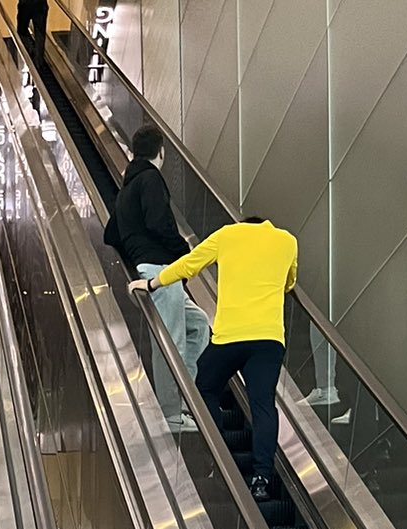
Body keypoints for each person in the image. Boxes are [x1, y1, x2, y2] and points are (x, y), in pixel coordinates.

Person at [131, 214, 298, 498]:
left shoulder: (227, 235)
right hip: (268, 340)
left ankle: (220, 460)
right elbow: (289, 283)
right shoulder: (287, 240)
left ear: (241, 224)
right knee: (262, 406)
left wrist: (151, 284)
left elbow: (188, 264)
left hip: (229, 338)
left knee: (204, 388)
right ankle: (261, 478)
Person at [103, 124, 210, 432]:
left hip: (150, 270)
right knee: (171, 342)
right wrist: (184, 251)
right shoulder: (150, 179)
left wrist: (134, 248)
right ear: (161, 152)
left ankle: (185, 401)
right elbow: (159, 222)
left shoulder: (127, 190)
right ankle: (171, 415)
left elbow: (112, 232)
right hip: (160, 271)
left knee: (198, 325)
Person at [16, 0, 48, 66]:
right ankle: (38, 62)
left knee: (22, 30)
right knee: (40, 34)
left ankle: (30, 49)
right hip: (40, 4)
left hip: (25, 4)